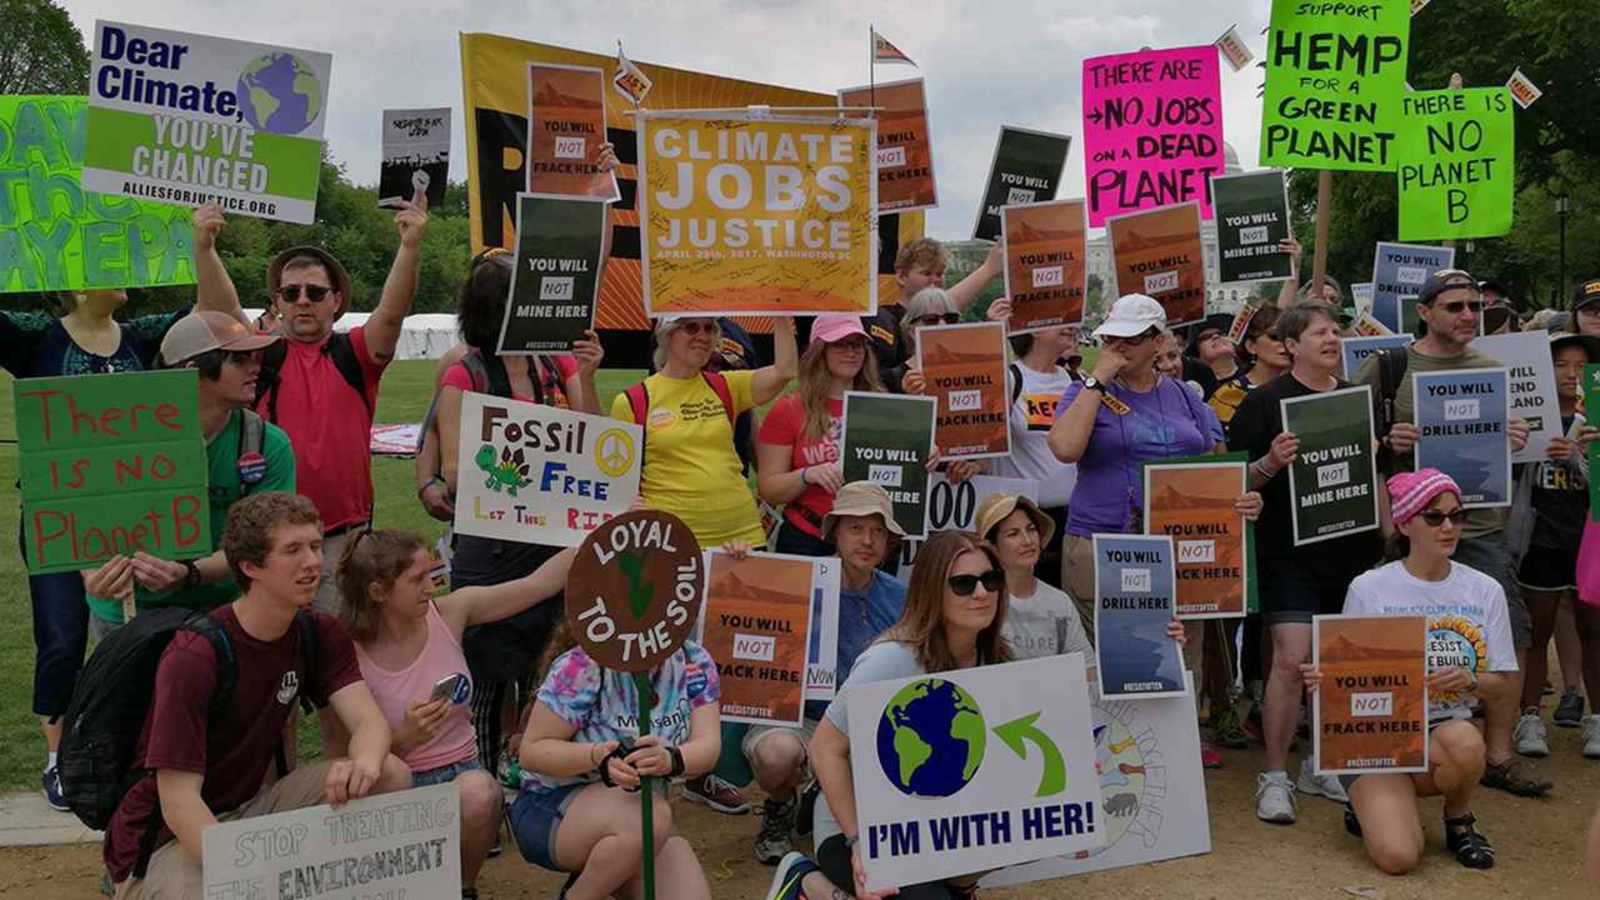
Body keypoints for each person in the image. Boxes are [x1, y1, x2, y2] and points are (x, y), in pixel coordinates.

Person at [0, 204, 237, 808]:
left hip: (134, 514)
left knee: (125, 634)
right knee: (60, 637)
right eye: (109, 263)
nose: (125, 270)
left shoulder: (139, 337)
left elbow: (213, 316)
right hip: (60, 517)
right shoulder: (36, 341)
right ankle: (61, 754)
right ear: (77, 280)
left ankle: (123, 741)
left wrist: (202, 243)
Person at [105, 492, 412, 898]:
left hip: (254, 810)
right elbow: (179, 803)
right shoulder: (194, 655)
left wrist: (365, 765)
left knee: (391, 774)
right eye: (293, 550)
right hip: (168, 838)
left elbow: (367, 720)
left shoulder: (316, 632)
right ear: (250, 567)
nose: (313, 562)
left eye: (316, 545)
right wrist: (251, 880)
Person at [1352, 270, 1544, 797]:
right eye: (1455, 306)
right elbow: (1349, 439)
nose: (1467, 316)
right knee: (1399, 635)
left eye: (1474, 308)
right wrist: (1387, 441)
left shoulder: (1491, 368)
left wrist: (1516, 437)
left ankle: (1498, 755)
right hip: (1402, 527)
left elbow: (1509, 448)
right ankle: (1397, 747)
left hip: (1478, 526)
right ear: (1425, 311)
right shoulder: (1389, 367)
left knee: (1507, 638)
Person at [1049, 294, 1258, 768]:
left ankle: (1173, 755)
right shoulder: (1086, 389)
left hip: (1177, 545)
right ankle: (1108, 760)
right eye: (1112, 337)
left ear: (1159, 341)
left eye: (1132, 338)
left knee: (1180, 645)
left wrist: (1239, 499)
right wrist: (1097, 379)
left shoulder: (1184, 394)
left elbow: (1211, 466)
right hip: (1101, 540)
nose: (1119, 345)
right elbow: (1063, 447)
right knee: (1105, 654)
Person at [202, 191, 430, 614]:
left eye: (314, 291)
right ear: (276, 303)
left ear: (336, 300)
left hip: (343, 539)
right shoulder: (260, 355)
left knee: (336, 656)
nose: (302, 300)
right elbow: (221, 309)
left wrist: (410, 246)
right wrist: (205, 247)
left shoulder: (356, 355)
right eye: (290, 293)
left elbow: (392, 313)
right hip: (270, 540)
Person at [432, 247, 604, 778]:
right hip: (493, 547)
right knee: (486, 671)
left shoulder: (560, 365)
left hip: (554, 540)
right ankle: (480, 780)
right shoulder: (466, 376)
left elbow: (594, 441)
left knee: (548, 662)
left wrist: (591, 376)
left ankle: (536, 773)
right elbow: (459, 472)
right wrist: (533, 472)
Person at [767, 530, 1010, 900]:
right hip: (862, 828)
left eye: (991, 579)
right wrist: (859, 843)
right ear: (932, 589)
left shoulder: (999, 660)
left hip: (941, 824)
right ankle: (807, 883)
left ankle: (958, 887)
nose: (981, 593)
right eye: (963, 583)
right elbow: (824, 749)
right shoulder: (891, 659)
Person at [332, 530, 576, 898]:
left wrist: (604, 527)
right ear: (379, 592)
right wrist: (403, 739)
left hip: (462, 774)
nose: (432, 586)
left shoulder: (448, 614)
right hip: (395, 784)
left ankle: (463, 888)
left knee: (481, 792)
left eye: (431, 573)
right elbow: (341, 757)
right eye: (417, 579)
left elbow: (538, 585)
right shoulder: (348, 655)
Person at [1305, 469, 1510, 874]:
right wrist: (1324, 680)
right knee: (1399, 858)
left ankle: (1458, 817)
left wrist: (1471, 679)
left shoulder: (1485, 589)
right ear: (1404, 523)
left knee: (1466, 742)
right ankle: (1364, 805)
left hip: (1440, 733)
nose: (1449, 526)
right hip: (1375, 740)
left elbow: (1501, 684)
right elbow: (1343, 679)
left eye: (1457, 515)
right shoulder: (1369, 588)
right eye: (1433, 517)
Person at [1228, 301, 1384, 823]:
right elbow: (1235, 481)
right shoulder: (1264, 403)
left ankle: (1323, 764)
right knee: (1292, 661)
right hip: (1287, 555)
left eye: (1336, 331)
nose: (1332, 339)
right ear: (1291, 346)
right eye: (1320, 332)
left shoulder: (1356, 399)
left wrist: (1387, 530)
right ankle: (1275, 774)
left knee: (1336, 666)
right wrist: (1271, 462)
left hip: (1352, 553)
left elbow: (1374, 474)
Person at [82, 312, 297, 635]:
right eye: (238, 360)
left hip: (220, 611)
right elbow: (82, 513)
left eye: (253, 357)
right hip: (127, 612)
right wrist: (93, 575)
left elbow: (262, 543)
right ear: (192, 371)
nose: (255, 367)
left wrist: (188, 573)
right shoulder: (119, 435)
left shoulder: (268, 443)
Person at [735, 482, 907, 865]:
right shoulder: (792, 581)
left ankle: (824, 793)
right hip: (801, 720)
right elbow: (737, 612)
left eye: (878, 531)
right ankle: (781, 804)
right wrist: (741, 564)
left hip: (868, 726)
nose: (868, 540)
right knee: (775, 754)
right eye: (856, 529)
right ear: (835, 533)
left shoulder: (901, 596)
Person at [511, 620, 722, 899]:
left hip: (641, 822)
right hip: (551, 807)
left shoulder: (694, 660)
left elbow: (708, 745)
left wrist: (669, 759)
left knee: (652, 826)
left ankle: (606, 869)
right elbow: (532, 752)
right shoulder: (583, 665)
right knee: (651, 817)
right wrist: (599, 756)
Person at [614, 315, 796, 548]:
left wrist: (781, 312)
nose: (703, 336)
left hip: (741, 535)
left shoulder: (725, 386)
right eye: (691, 328)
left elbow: (785, 370)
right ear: (667, 336)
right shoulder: (632, 400)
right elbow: (618, 479)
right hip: (670, 539)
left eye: (709, 329)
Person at [1510, 332, 1600, 757]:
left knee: (1594, 633)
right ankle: (1529, 718)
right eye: (1561, 365)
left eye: (1579, 366)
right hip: (1540, 541)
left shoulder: (1596, 416)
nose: (1570, 374)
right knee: (1535, 633)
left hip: (1588, 544)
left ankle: (1596, 720)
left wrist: (1577, 460)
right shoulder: (1527, 417)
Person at [757, 316, 884, 557]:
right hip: (808, 537)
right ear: (819, 351)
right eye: (840, 344)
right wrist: (807, 475)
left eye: (857, 344)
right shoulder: (789, 410)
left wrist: (924, 454)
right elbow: (768, 488)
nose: (851, 352)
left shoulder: (883, 407)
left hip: (869, 541)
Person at [988, 326, 1079, 587]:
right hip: (1022, 520)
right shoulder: (1009, 379)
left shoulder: (1077, 381)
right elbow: (982, 438)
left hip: (1071, 521)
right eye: (1060, 320)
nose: (1071, 325)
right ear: (1035, 330)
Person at [864, 239, 1001, 375]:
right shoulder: (884, 320)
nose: (935, 280)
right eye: (927, 273)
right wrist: (987, 269)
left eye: (939, 274)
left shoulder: (945, 321)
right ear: (901, 276)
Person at [1208, 305, 1286, 430]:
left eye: (1290, 336)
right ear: (1251, 346)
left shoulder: (1301, 385)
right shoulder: (1228, 395)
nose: (1284, 343)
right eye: (1275, 336)